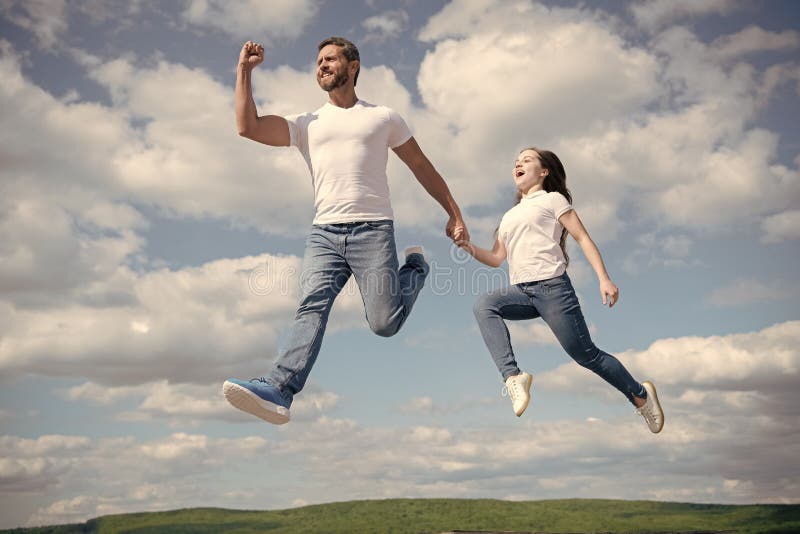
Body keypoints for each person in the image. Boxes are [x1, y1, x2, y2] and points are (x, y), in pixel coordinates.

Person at [223, 37, 469, 425]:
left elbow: (421, 166)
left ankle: (416, 269)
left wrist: (453, 212)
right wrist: (244, 71)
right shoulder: (306, 124)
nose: (321, 65)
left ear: (353, 66)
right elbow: (247, 127)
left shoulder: (384, 118)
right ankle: (280, 388)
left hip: (373, 231)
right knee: (312, 306)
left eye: (330, 59)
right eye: (318, 60)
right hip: (324, 234)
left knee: (384, 324)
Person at [459, 147, 663, 433]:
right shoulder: (508, 217)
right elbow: (495, 259)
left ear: (543, 172)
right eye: (516, 161)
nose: (519, 163)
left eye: (527, 160)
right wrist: (467, 246)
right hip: (523, 291)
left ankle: (640, 394)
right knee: (485, 305)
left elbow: (582, 237)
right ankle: (513, 378)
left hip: (553, 289)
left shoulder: (553, 200)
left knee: (586, 356)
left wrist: (604, 278)